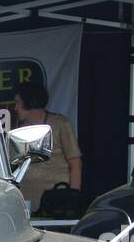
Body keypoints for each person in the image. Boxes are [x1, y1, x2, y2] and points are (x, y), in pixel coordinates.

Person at [13, 81, 82, 214]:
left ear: (29, 101)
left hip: (56, 199)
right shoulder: (20, 129)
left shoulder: (60, 124)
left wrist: (73, 198)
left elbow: (76, 163)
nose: (15, 108)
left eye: (17, 103)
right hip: (27, 200)